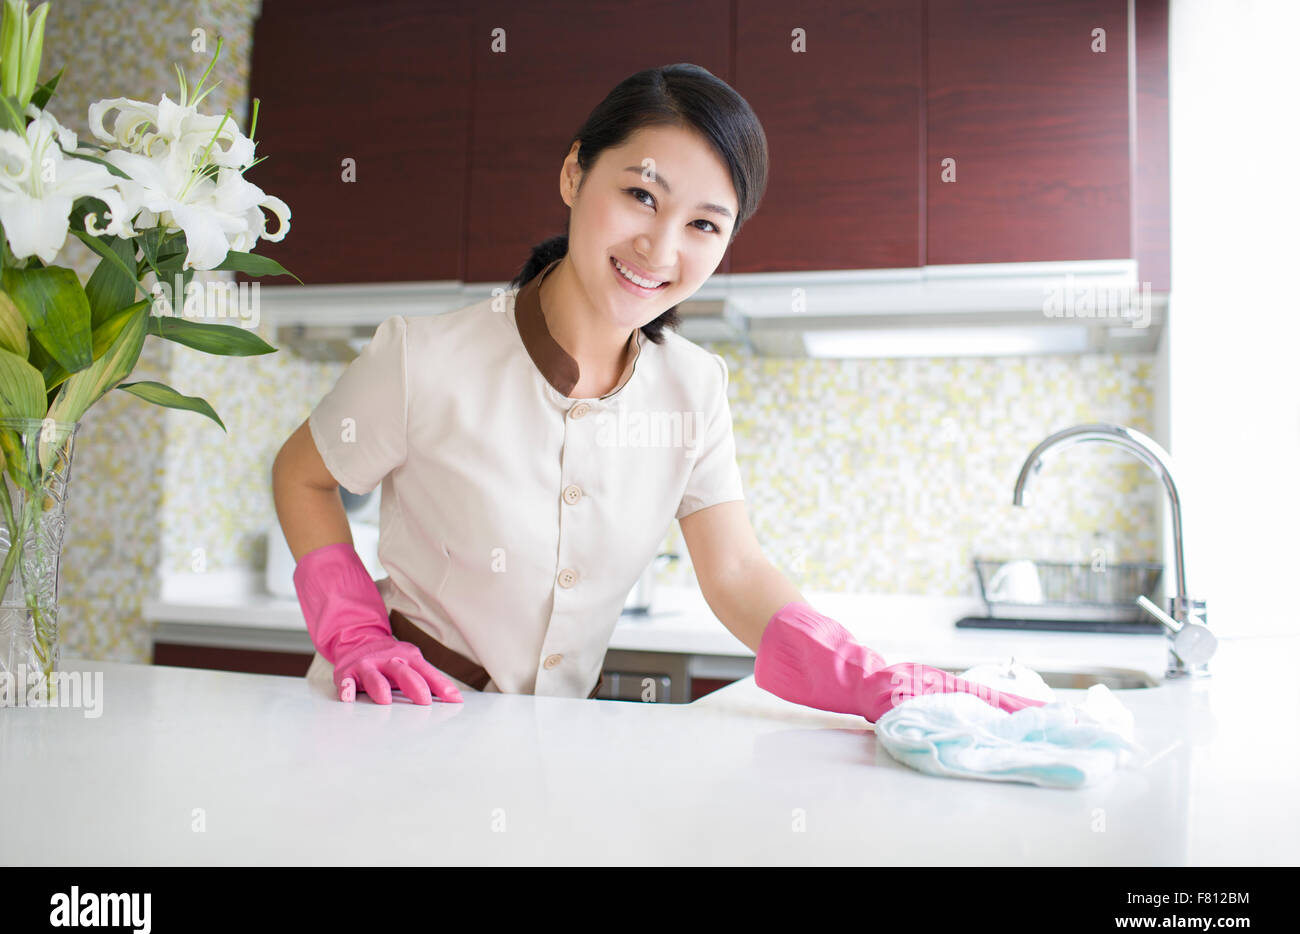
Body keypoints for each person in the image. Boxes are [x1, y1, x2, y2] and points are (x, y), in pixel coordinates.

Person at [271, 62, 1044, 721]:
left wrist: (870, 680)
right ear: (576, 174)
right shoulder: (426, 355)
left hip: (548, 745)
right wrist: (354, 632)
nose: (660, 247)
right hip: (388, 716)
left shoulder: (695, 388)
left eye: (705, 224)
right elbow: (301, 473)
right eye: (642, 195)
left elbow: (735, 572)